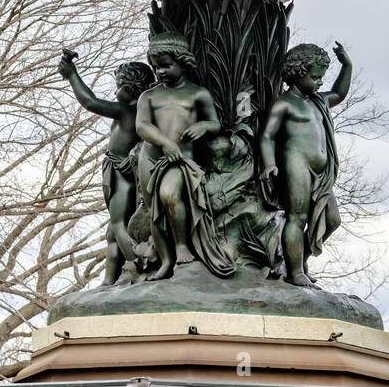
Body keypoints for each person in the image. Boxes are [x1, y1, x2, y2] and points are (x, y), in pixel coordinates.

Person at [135, 32, 236, 280]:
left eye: (167, 65)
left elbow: (215, 123)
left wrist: (203, 127)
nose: (161, 72)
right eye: (156, 67)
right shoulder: (149, 96)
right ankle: (166, 262)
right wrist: (165, 143)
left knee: (168, 195)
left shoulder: (197, 94)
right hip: (151, 157)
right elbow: (142, 126)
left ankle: (182, 246)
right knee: (154, 211)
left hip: (181, 160)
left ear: (183, 62)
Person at [259, 41, 352, 286]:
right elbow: (267, 136)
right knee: (297, 217)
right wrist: (269, 164)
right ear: (298, 74)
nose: (320, 82)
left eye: (321, 78)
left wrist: (347, 66)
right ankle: (295, 272)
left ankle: (299, 258)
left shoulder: (318, 101)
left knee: (332, 220)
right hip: (296, 164)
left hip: (322, 173)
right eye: (315, 77)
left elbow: (340, 94)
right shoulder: (285, 103)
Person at [58, 51, 153, 285]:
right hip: (119, 171)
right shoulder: (139, 112)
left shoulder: (127, 111)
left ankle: (141, 267)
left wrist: (72, 75)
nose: (115, 91)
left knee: (119, 224)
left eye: (119, 86)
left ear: (131, 89)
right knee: (113, 229)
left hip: (121, 175)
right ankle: (109, 281)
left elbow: (90, 102)